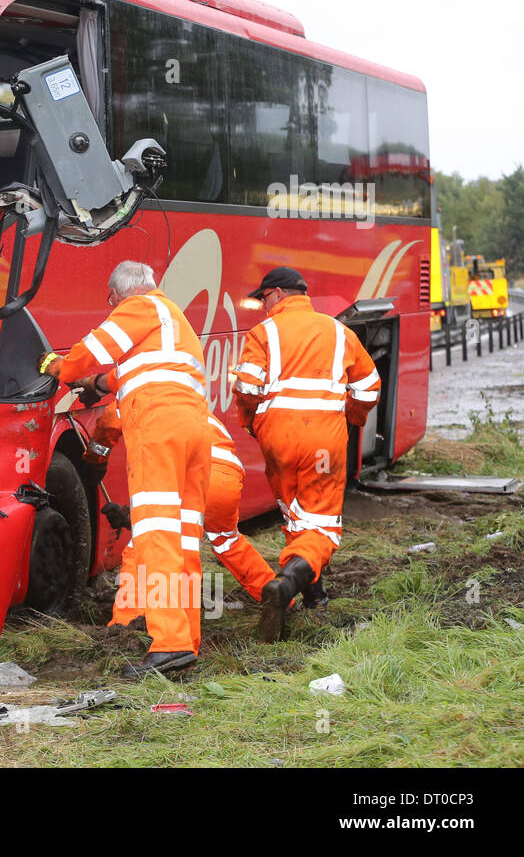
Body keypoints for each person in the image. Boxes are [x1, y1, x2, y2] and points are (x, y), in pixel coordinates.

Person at [39, 260, 210, 678]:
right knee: (184, 539)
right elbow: (130, 370)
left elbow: (90, 351)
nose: (111, 307)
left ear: (118, 295)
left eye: (110, 301)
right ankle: (186, 639)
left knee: (155, 536)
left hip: (159, 430)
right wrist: (98, 385)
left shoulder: (138, 306)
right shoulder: (174, 322)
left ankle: (168, 644)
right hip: (194, 431)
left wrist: (59, 368)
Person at [232, 266, 380, 642]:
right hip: (324, 444)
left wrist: (253, 423)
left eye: (263, 298)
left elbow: (247, 388)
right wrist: (349, 415)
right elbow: (368, 388)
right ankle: (286, 584)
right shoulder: (338, 331)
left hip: (278, 441)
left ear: (278, 294)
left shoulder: (262, 333)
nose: (262, 306)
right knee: (321, 526)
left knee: (295, 514)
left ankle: (315, 595)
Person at [87, 393, 278, 642]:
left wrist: (95, 459)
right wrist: (130, 517)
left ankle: (124, 627)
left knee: (143, 545)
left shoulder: (139, 393)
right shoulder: (192, 403)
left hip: (192, 475)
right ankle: (277, 592)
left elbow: (108, 424)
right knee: (227, 540)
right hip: (227, 477)